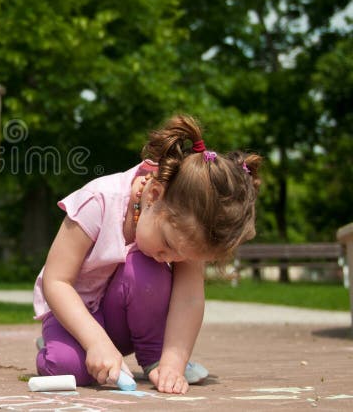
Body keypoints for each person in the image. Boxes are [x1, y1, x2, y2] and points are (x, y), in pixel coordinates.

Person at [33, 114, 261, 394]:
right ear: (153, 195)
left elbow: (189, 298)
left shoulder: (186, 225)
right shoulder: (99, 201)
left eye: (181, 256)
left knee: (145, 266)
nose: (170, 259)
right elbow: (56, 281)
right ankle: (59, 344)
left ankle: (155, 358)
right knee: (66, 365)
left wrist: (174, 363)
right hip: (74, 314)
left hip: (123, 323)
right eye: (168, 244)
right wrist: (95, 342)